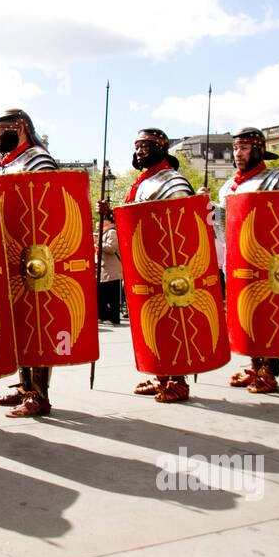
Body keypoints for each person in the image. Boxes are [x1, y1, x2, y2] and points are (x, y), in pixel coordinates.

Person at [101, 127, 196, 401]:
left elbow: (182, 223)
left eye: (145, 145)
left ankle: (178, 380)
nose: (140, 151)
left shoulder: (173, 182)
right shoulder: (142, 183)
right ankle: (161, 375)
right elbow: (133, 224)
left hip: (169, 266)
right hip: (145, 266)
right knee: (153, 323)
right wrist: (111, 214)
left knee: (172, 322)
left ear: (161, 147)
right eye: (137, 146)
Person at [213, 126, 279, 394]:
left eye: (244, 148)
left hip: (269, 261)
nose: (238, 153)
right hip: (238, 260)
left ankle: (269, 369)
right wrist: (210, 208)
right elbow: (224, 229)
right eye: (235, 148)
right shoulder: (229, 186)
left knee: (267, 314)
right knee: (244, 315)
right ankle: (254, 365)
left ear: (259, 150)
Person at [0, 108, 58, 417]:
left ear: (19, 127)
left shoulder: (38, 160)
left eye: (0, 129)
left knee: (38, 324)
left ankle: (39, 394)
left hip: (35, 255)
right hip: (10, 253)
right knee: (19, 325)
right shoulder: (7, 165)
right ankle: (24, 387)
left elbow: (48, 205)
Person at [96, 218, 122, 325]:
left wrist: (99, 244)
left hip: (112, 269)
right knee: (102, 294)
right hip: (105, 269)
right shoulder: (104, 233)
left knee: (112, 295)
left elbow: (112, 248)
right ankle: (103, 316)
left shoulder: (112, 232)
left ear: (108, 222)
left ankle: (113, 318)